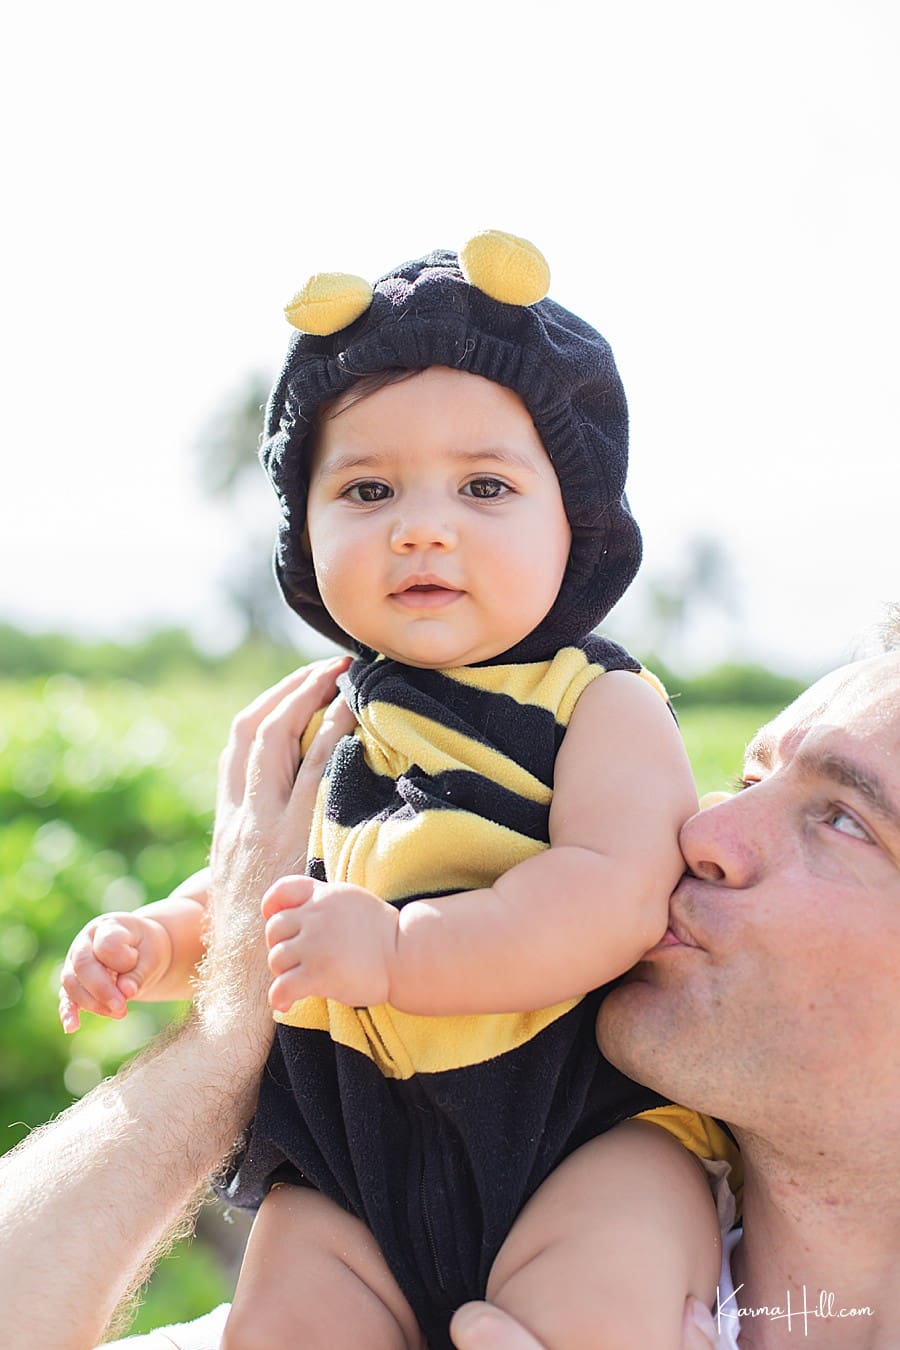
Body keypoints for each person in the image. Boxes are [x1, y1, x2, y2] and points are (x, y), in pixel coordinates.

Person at [57, 232, 734, 1350]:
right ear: (304, 531)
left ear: (577, 522)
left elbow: (613, 891)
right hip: (355, 1152)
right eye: (368, 488)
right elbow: (267, 895)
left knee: (612, 1275)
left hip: (571, 1121)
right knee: (287, 1317)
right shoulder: (328, 714)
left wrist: (399, 956)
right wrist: (168, 939)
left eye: (485, 485)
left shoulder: (595, 702)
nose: (422, 526)